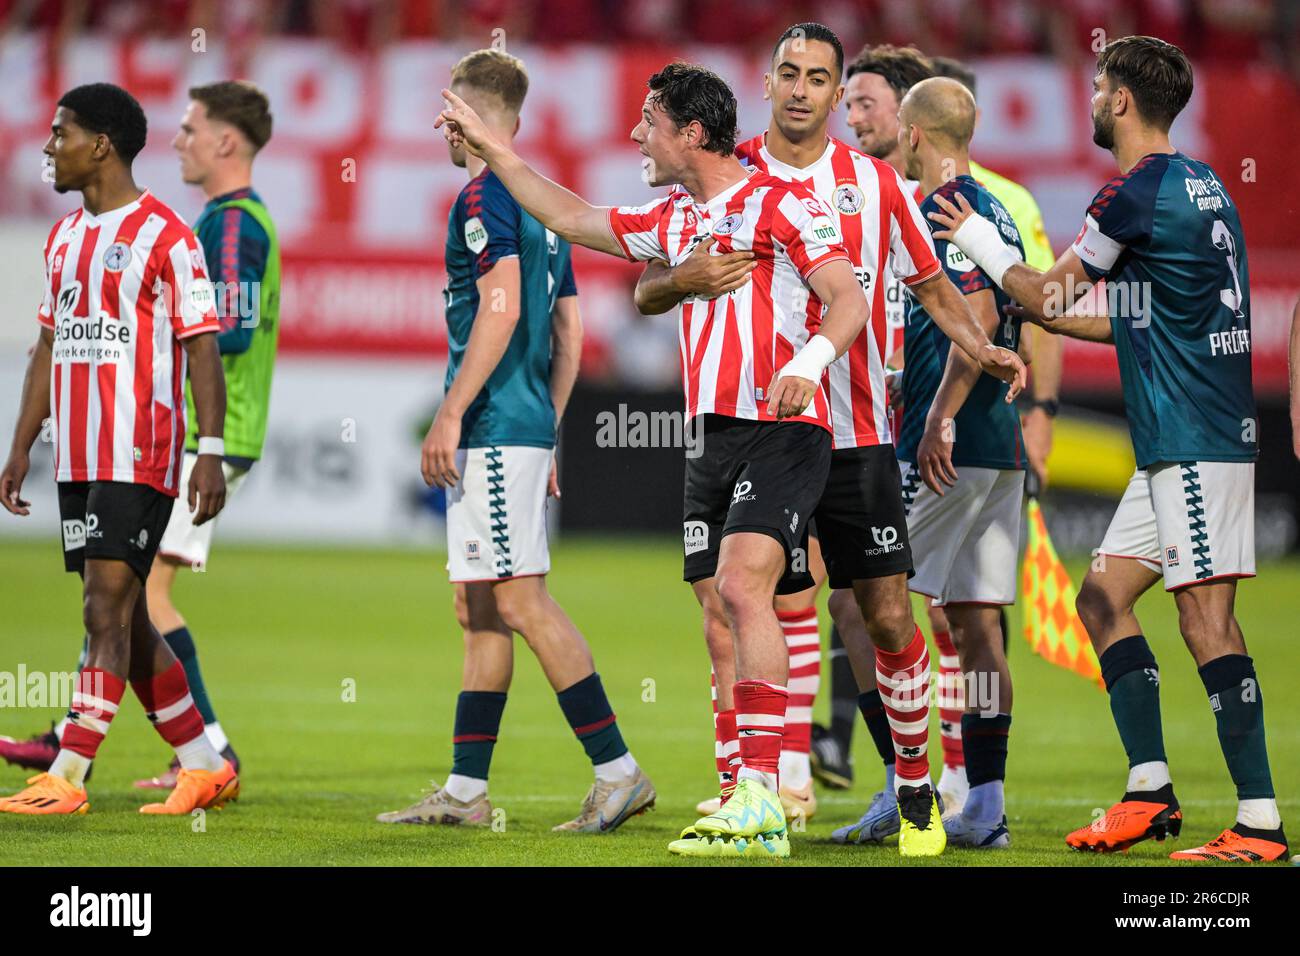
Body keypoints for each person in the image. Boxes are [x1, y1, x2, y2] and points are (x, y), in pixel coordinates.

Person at [625, 29, 1027, 856]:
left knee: (881, 614)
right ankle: (754, 791)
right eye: (788, 74)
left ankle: (916, 791)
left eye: (819, 79)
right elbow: (646, 266)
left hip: (856, 433)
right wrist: (675, 282)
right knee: (737, 600)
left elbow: (930, 282)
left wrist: (981, 346)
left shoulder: (874, 183)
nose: (801, 90)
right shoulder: (726, 175)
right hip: (755, 425)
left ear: (838, 93)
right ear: (768, 81)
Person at [931, 35, 1288, 862]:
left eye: (1097, 86)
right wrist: (1041, 312)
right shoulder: (1202, 186)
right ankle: (1150, 791)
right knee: (1101, 597)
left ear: (1121, 100)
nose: (1091, 99)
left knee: (1205, 619)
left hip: (1194, 438)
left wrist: (983, 249)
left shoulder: (1131, 194)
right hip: (1182, 439)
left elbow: (1051, 290)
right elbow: (1125, 316)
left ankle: (1261, 822)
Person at [377, 49, 654, 833]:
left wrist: (452, 412)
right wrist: (552, 426)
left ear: (460, 113)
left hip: (497, 427)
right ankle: (467, 792)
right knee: (481, 608)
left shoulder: (483, 196)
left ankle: (619, 772)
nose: (439, 125)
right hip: (523, 426)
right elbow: (566, 331)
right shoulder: (540, 201)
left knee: (522, 600)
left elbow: (499, 311)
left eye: (445, 111)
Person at [0, 83, 239, 816]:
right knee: (127, 622)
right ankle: (204, 764)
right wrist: (19, 448)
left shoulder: (167, 235)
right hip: (78, 455)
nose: (48, 146)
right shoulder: (64, 238)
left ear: (100, 143)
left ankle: (66, 776)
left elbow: (202, 347)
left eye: (60, 132)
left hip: (142, 449)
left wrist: (210, 448)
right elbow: (47, 346)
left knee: (104, 606)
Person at [893, 76, 1026, 847]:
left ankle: (904, 785)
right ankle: (986, 802)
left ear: (914, 135)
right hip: (998, 448)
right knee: (977, 623)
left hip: (956, 446)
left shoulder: (944, 209)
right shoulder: (994, 205)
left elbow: (976, 315)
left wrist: (937, 415)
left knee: (870, 594)